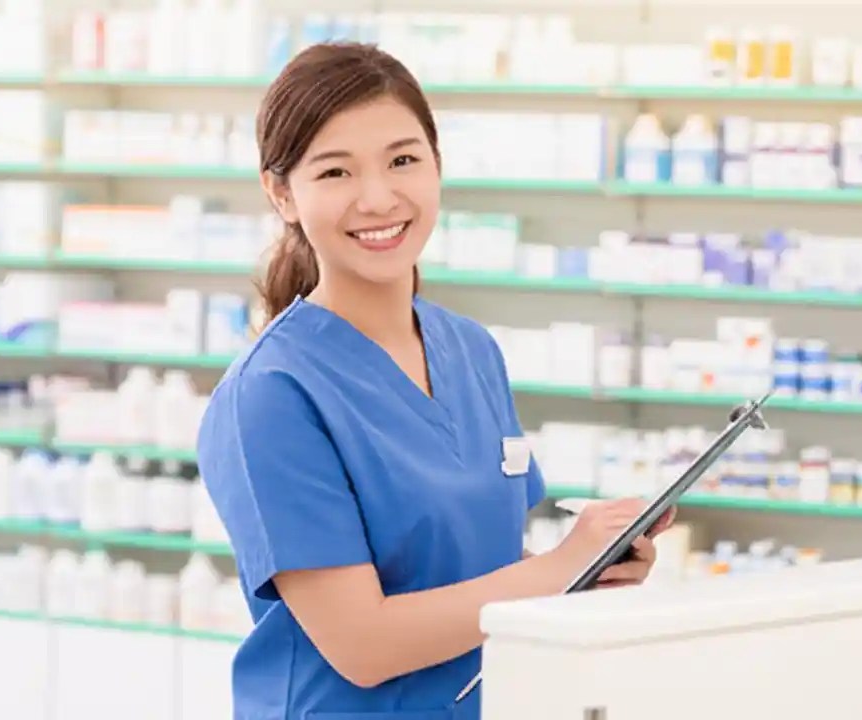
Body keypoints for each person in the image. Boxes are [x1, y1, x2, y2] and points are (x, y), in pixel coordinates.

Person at [196, 42, 674, 720]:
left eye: (402, 160)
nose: (378, 197)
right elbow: (362, 644)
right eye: (335, 172)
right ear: (283, 194)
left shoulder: (470, 350)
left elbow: (483, 569)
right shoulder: (271, 394)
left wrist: (592, 570)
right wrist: (560, 566)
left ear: (438, 166)